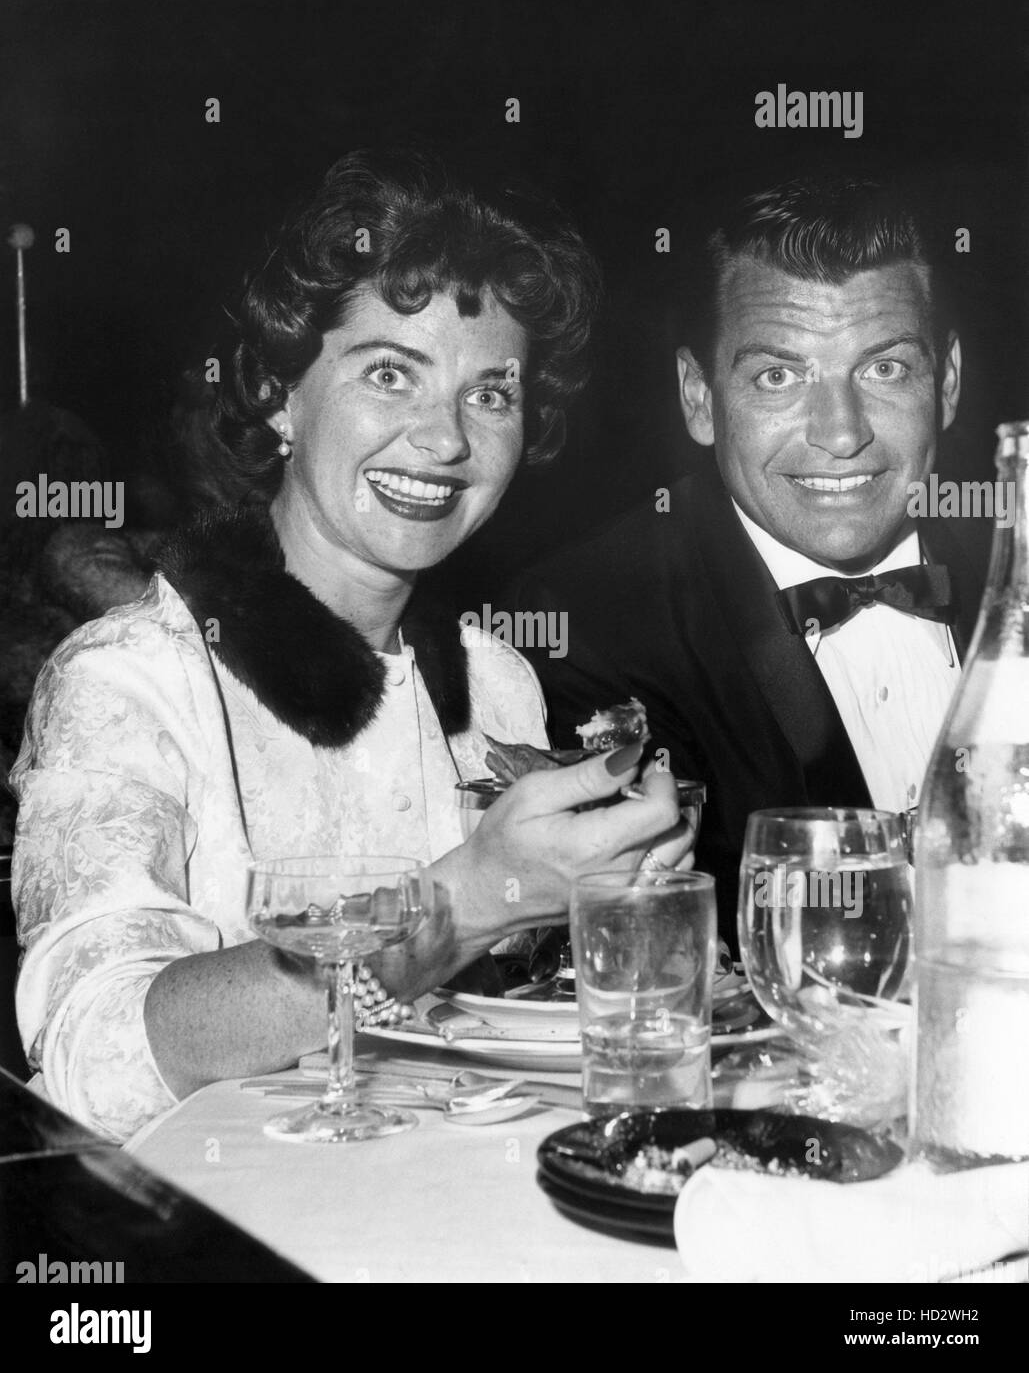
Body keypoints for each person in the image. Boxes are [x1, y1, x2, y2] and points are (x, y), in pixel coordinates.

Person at [11, 151, 688, 1141]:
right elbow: (99, 1060)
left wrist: (612, 899)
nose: (445, 439)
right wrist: (466, 902)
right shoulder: (128, 681)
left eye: (490, 392)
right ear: (282, 395)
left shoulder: (495, 681)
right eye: (389, 374)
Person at [508, 174, 990, 945]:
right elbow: (652, 949)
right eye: (778, 376)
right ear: (699, 399)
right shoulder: (595, 621)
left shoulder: (1014, 575)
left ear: (948, 383)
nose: (840, 434)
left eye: (884, 368)